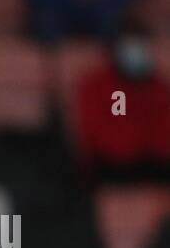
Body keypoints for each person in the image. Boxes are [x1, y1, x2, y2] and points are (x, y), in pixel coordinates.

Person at [73, 27, 170, 185]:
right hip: (110, 167)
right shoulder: (98, 85)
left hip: (154, 165)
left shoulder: (159, 88)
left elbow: (164, 134)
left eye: (141, 47)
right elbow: (100, 135)